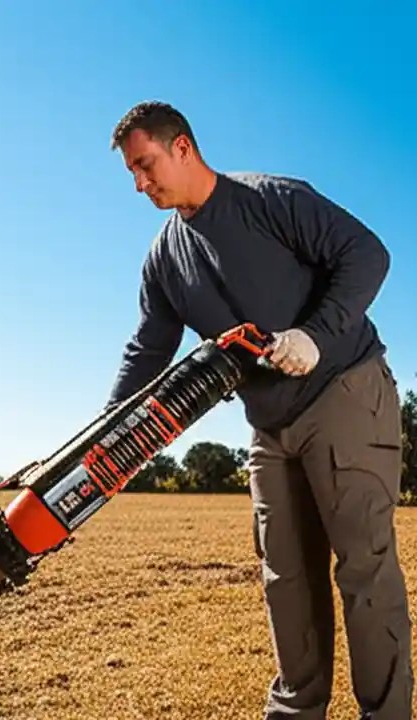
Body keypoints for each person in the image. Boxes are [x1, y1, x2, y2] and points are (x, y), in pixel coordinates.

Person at [105, 100, 412, 720]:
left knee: (363, 570)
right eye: (132, 174)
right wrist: (106, 434)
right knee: (286, 580)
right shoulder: (165, 258)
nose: (139, 184)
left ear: (182, 147)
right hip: (268, 424)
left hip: (344, 388)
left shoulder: (271, 199)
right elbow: (147, 354)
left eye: (145, 165)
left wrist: (315, 334)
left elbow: (368, 254)